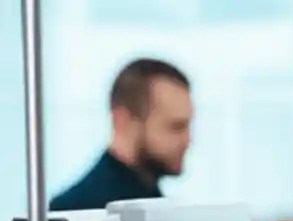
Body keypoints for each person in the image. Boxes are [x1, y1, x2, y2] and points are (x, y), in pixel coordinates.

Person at [50, 58, 191, 211]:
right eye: (175, 127)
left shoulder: (150, 199)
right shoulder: (78, 212)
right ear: (123, 121)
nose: (188, 140)